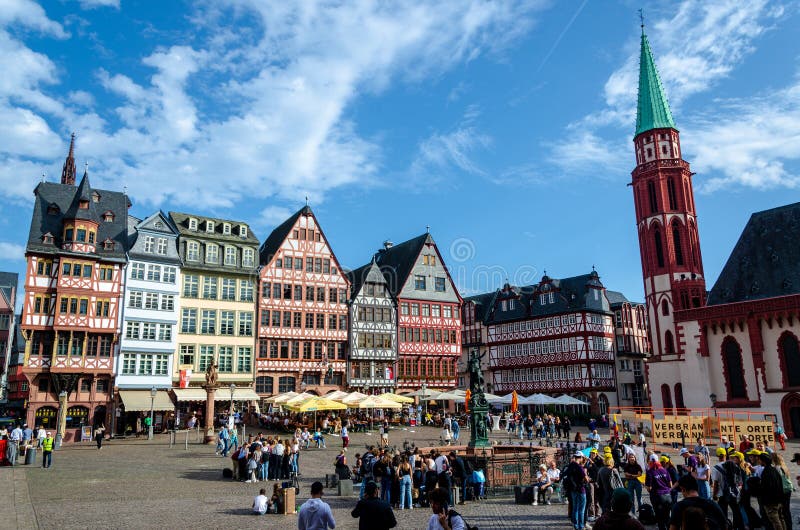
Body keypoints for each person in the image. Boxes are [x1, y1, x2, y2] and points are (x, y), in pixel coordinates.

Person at [758, 452, 788, 530]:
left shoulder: (767, 472)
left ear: (763, 461)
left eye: (759, 460)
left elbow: (767, 487)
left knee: (775, 520)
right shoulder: (773, 469)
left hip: (771, 501)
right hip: (778, 499)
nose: (759, 462)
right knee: (781, 519)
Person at [644, 453, 673, 530]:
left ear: (651, 462)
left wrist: (644, 485)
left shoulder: (650, 472)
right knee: (667, 517)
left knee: (660, 519)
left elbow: (649, 488)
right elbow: (670, 484)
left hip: (657, 497)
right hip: (667, 496)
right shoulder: (664, 470)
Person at [566, 451, 589, 530]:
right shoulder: (579, 467)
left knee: (575, 508)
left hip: (573, 489)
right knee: (581, 509)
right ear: (581, 457)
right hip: (581, 489)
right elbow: (586, 479)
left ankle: (575, 526)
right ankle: (581, 526)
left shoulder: (571, 465)